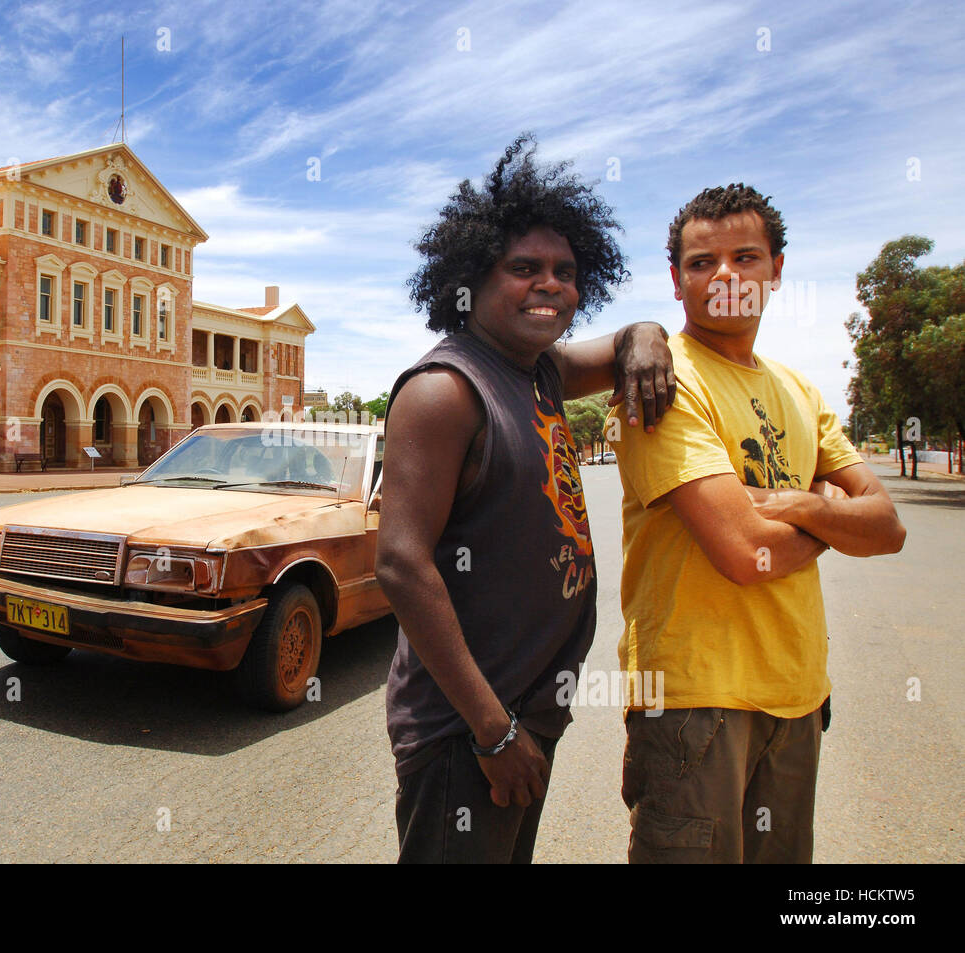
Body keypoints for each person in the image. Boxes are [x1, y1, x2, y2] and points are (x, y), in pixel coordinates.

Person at [375, 133, 676, 864]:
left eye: (566, 272)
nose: (550, 285)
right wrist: (492, 729)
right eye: (524, 268)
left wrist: (647, 336)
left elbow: (625, 340)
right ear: (471, 278)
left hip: (523, 718)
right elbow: (402, 565)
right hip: (468, 733)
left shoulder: (537, 369)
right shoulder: (446, 390)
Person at [610, 183, 906, 863]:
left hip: (799, 695)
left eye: (745, 257)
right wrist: (833, 511)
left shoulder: (800, 390)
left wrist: (799, 505)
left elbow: (888, 526)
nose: (724, 276)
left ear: (776, 269)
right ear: (676, 281)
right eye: (700, 262)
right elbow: (746, 551)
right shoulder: (662, 383)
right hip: (694, 702)